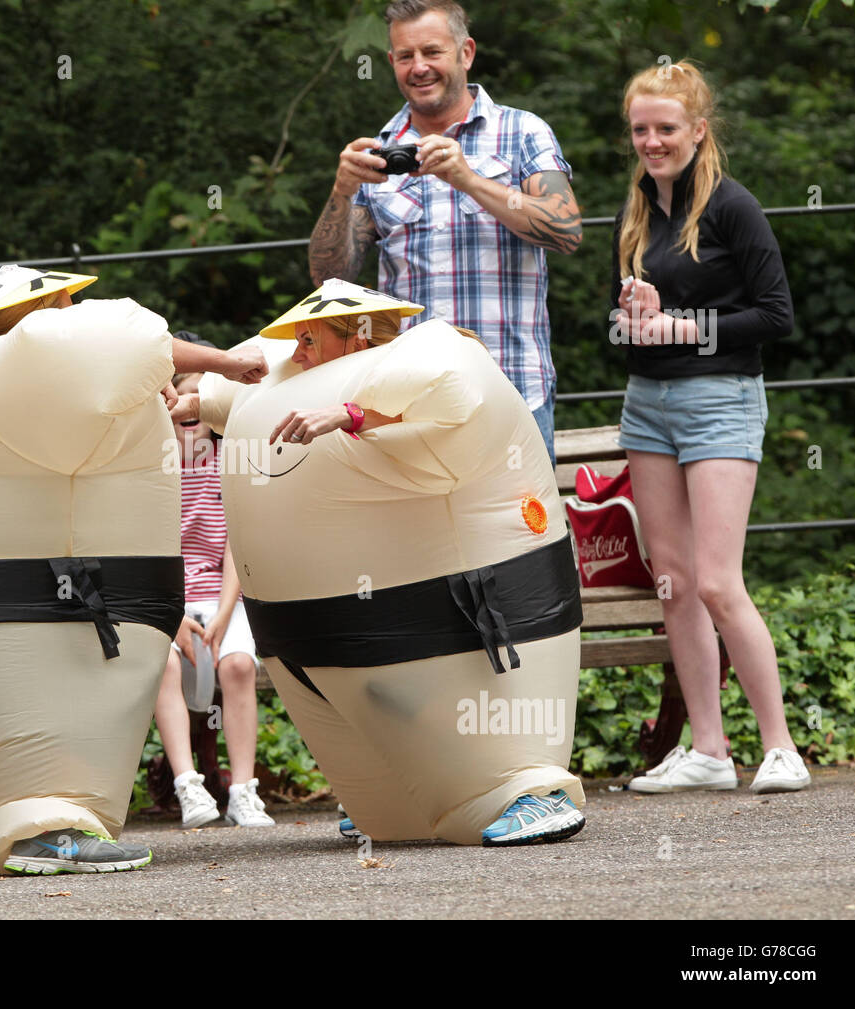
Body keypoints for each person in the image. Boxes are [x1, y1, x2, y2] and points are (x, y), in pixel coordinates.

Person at [0, 265, 268, 876]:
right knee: (36, 773)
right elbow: (125, 340)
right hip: (1, 640)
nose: (72, 313)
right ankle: (46, 821)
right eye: (65, 303)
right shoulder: (26, 363)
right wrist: (226, 362)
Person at [186, 279, 587, 847]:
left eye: (309, 340)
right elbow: (245, 384)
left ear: (358, 341)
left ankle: (523, 786)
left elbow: (449, 391)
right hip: (320, 629)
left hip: (466, 605)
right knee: (381, 790)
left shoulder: (426, 357)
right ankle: (396, 802)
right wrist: (194, 401)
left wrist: (350, 413)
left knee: (470, 709)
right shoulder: (298, 382)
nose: (298, 354)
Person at [610, 61, 808, 795]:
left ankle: (780, 747)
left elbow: (776, 315)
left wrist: (678, 325)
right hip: (647, 407)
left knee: (721, 583)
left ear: (698, 129)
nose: (652, 142)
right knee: (675, 583)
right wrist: (632, 320)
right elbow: (626, 335)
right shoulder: (636, 209)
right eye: (640, 129)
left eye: (666, 128)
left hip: (721, 400)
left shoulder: (734, 207)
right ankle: (710, 750)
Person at [307, 0, 582, 462]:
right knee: (419, 537)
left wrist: (469, 179)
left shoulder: (521, 132)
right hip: (407, 402)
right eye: (405, 56)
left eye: (432, 52)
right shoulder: (380, 150)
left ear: (466, 52)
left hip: (511, 389)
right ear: (391, 62)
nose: (419, 67)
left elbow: (567, 230)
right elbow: (328, 278)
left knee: (524, 534)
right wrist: (341, 191)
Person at [154, 362, 275, 830]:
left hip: (225, 597)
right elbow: (149, 550)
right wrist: (174, 615)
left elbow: (234, 547)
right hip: (169, 604)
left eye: (201, 400)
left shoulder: (230, 463)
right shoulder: (149, 469)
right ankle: (189, 786)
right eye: (183, 396)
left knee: (239, 665)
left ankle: (243, 792)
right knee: (161, 665)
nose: (191, 406)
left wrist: (225, 614)